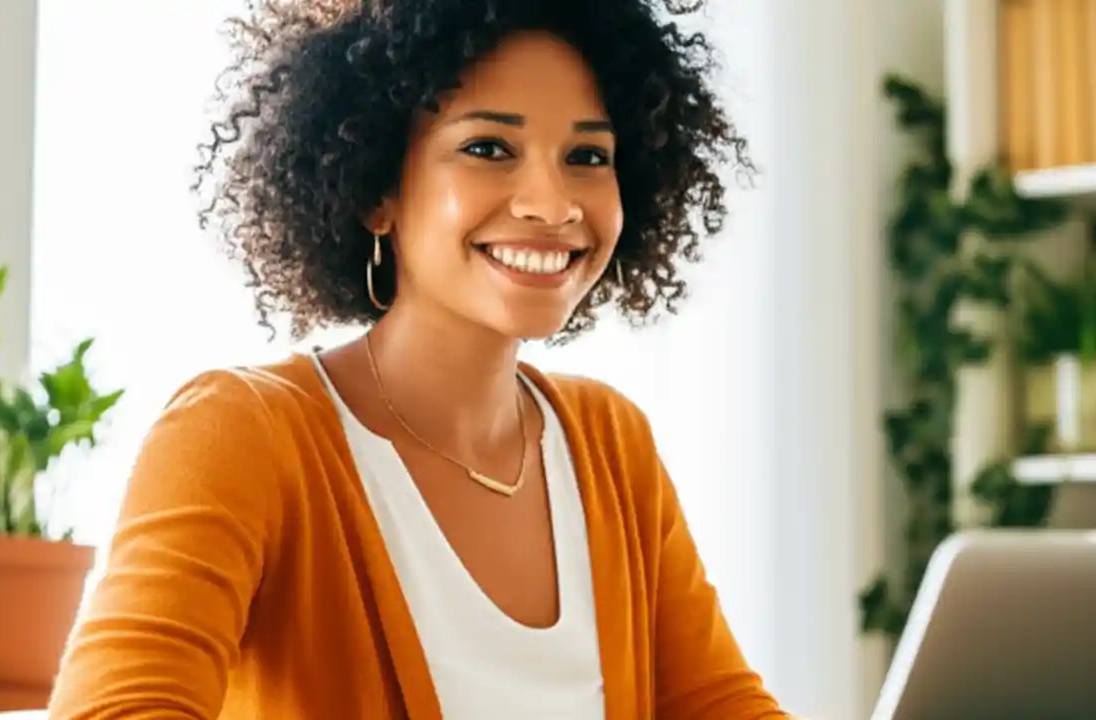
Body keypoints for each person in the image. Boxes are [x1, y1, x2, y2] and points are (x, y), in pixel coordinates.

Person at [49, 0, 786, 718]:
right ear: (377, 190)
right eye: (489, 148)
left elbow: (720, 704)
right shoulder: (241, 433)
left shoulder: (610, 444)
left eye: (588, 156)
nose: (553, 203)